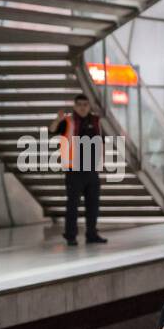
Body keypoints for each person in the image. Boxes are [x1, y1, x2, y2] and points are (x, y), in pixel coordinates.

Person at [52, 94, 106, 246]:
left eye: (85, 104)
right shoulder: (67, 121)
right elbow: (52, 131)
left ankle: (92, 234)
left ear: (89, 106)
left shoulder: (96, 121)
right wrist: (56, 120)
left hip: (91, 170)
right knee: (73, 205)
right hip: (74, 170)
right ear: (75, 106)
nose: (83, 107)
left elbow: (101, 141)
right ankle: (71, 236)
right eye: (80, 104)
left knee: (93, 205)